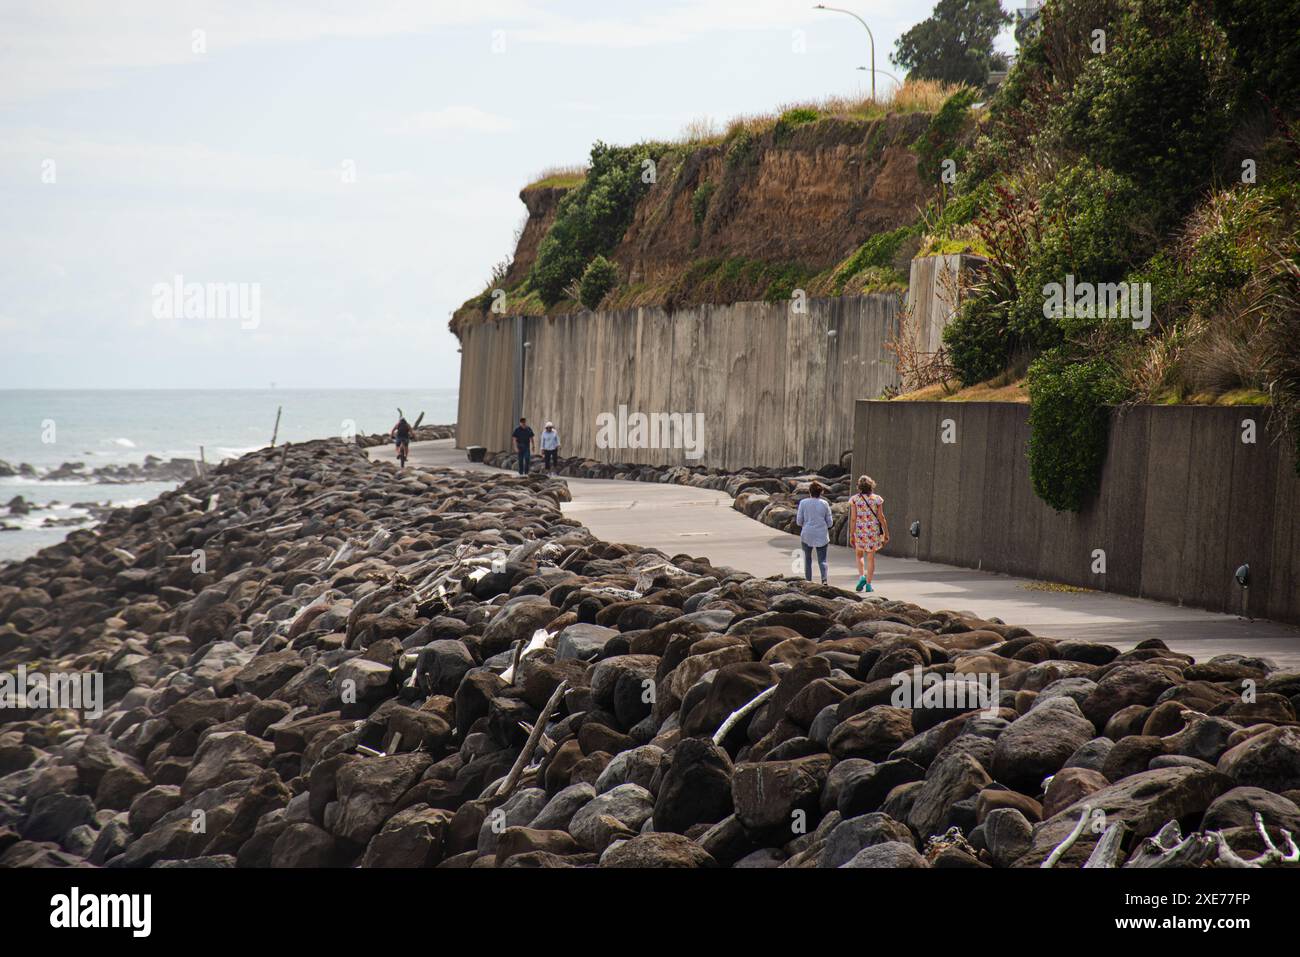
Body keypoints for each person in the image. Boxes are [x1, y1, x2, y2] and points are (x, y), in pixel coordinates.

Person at [849, 474, 889, 592]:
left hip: (860, 531)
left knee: (859, 554)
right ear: (871, 485)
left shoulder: (855, 499)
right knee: (871, 558)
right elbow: (881, 517)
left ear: (859, 487)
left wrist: (851, 534)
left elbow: (853, 518)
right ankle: (869, 584)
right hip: (873, 531)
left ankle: (861, 576)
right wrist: (886, 532)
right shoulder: (877, 499)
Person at [795, 480, 834, 584]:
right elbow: (830, 523)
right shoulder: (825, 504)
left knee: (807, 559)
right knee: (823, 560)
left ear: (810, 492)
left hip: (807, 534)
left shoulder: (803, 503)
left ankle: (808, 581)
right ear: (821, 493)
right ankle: (824, 580)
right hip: (821, 534)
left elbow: (799, 521)